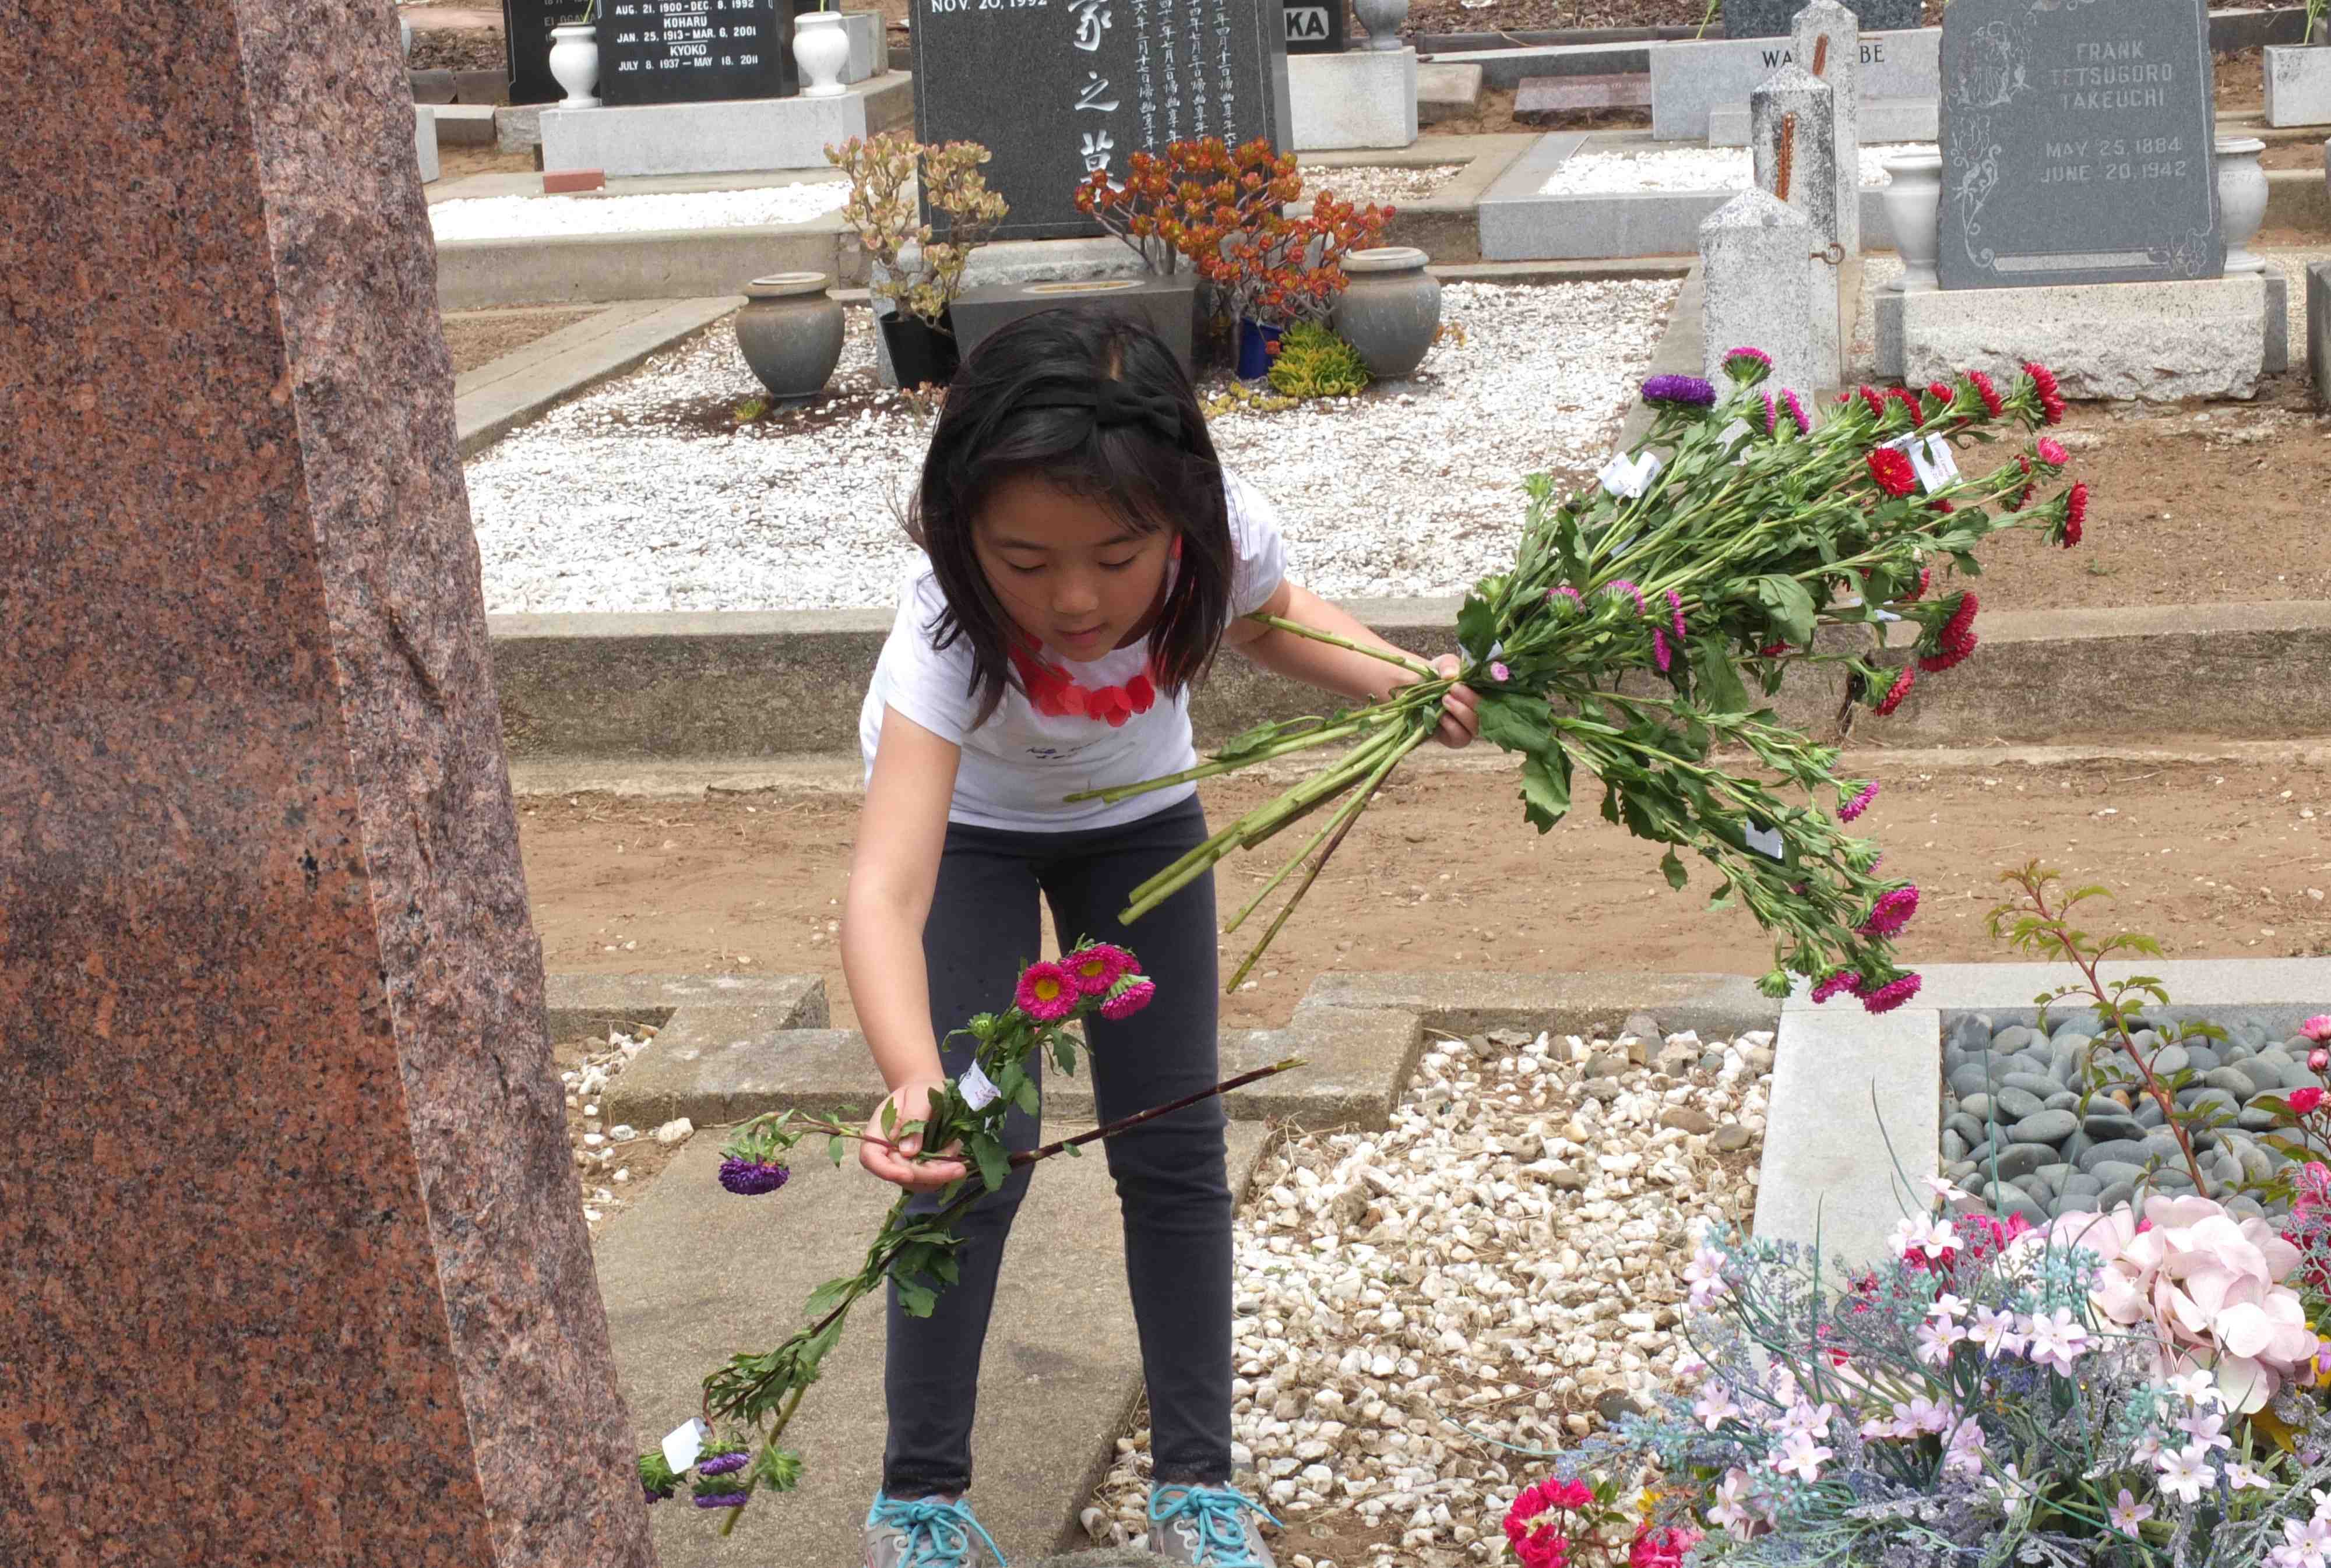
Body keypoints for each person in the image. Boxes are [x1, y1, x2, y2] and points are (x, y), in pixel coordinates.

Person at [846, 309, 1480, 1568]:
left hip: (1138, 824)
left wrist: (1406, 679)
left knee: (1172, 1143)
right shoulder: (944, 625)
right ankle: (917, 1497)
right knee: (971, 1150)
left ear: (1176, 524)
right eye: (1025, 560)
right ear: (965, 533)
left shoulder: (1218, 535)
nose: (1074, 598)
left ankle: (1199, 1483)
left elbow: (1267, 616)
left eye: (1116, 556)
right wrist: (913, 1075)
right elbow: (884, 891)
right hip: (972, 832)